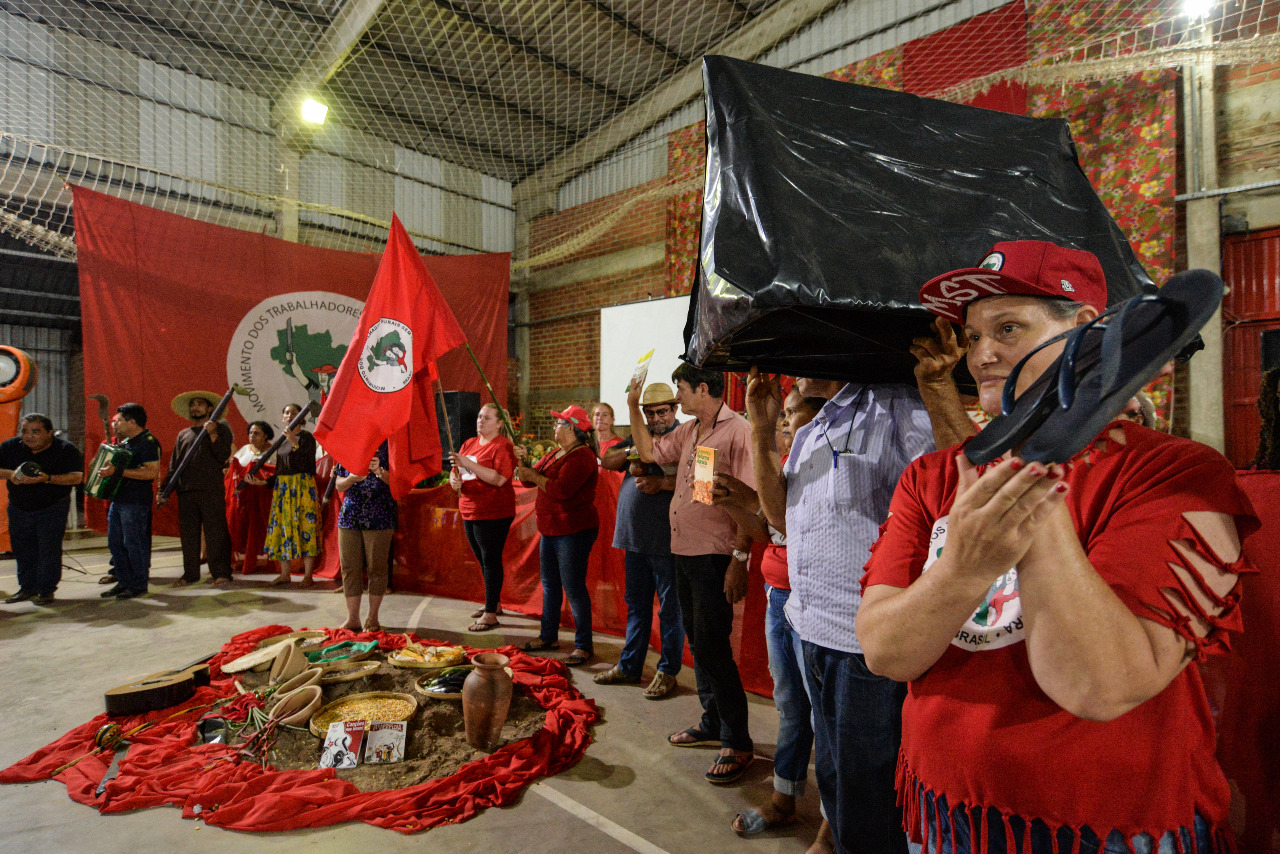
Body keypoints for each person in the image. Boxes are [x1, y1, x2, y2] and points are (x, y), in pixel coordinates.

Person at [857, 240, 1257, 852]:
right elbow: (886, 652)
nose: (982, 354)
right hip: (944, 804)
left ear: (1086, 331)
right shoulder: (932, 477)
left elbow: (1099, 687)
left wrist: (1034, 481)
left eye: (1008, 328)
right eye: (972, 336)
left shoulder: (1176, 475)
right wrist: (963, 568)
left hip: (1106, 825)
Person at [746, 366, 933, 853]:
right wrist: (762, 431)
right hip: (812, 629)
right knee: (833, 775)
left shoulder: (896, 406)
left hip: (862, 645)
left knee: (870, 793)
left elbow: (943, 503)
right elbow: (779, 516)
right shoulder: (813, 428)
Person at [626, 363, 757, 786]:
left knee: (714, 646)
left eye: (680, 389)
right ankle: (713, 721)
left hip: (715, 555)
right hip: (685, 548)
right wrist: (631, 403)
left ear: (702, 387)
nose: (676, 398)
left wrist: (740, 557)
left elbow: (753, 502)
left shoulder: (737, 430)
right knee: (700, 643)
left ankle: (737, 741)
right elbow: (650, 454)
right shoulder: (694, 431)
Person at [711, 390, 829, 844]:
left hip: (815, 604)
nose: (782, 421)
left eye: (791, 411)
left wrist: (746, 502)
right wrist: (730, 502)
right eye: (780, 414)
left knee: (824, 717)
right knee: (789, 703)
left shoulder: (823, 464)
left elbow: (792, 530)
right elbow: (771, 529)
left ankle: (831, 824)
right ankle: (784, 797)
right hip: (779, 595)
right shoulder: (786, 466)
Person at [594, 382, 685, 699]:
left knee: (671, 611)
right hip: (634, 538)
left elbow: (702, 485)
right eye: (650, 412)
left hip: (668, 540)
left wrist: (661, 483)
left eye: (662, 411)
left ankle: (668, 670)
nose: (657, 418)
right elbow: (608, 461)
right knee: (637, 606)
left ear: (675, 409)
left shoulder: (686, 435)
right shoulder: (640, 435)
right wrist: (632, 452)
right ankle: (630, 666)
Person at [515, 404, 599, 666]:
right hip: (552, 529)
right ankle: (548, 635)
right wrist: (521, 461)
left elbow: (562, 490)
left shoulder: (582, 457)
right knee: (550, 585)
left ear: (573, 429)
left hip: (572, 530)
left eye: (559, 424)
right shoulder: (556, 453)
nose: (554, 427)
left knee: (573, 587)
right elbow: (527, 479)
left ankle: (584, 644)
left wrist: (533, 475)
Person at [1, 414, 83, 605]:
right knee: (22, 550)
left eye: (35, 432)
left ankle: (46, 590)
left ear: (49, 433)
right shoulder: (10, 447)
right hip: (19, 507)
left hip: (52, 507)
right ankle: (27, 588)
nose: (29, 436)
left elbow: (76, 477)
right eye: (24, 432)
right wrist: (10, 474)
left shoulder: (65, 449)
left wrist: (47, 478)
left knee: (49, 549)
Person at [449, 403, 517, 632]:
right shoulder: (469, 443)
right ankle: (493, 603)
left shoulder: (504, 446)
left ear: (499, 423)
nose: (480, 421)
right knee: (481, 558)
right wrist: (454, 480)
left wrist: (467, 462)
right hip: (469, 508)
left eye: (487, 418)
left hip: (493, 511)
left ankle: (490, 613)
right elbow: (456, 471)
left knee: (490, 559)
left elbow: (499, 479)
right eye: (479, 416)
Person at [163, 391, 234, 588]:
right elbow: (174, 465)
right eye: (193, 404)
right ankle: (190, 574)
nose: (195, 407)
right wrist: (165, 490)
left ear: (210, 408)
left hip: (210, 489)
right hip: (186, 491)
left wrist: (212, 434)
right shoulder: (183, 435)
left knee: (215, 533)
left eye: (200, 404)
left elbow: (222, 456)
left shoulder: (220, 429)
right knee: (189, 536)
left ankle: (221, 573)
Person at [99, 403, 162, 600]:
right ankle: (123, 581)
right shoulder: (127, 443)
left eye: (118, 421)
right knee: (116, 543)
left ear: (132, 422)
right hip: (119, 501)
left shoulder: (148, 442)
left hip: (135, 502)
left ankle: (138, 584)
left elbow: (151, 472)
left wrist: (117, 471)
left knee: (134, 543)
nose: (115, 425)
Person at [334, 441, 396, 632]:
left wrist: (379, 471)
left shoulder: (391, 447)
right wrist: (352, 478)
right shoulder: (348, 446)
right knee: (349, 567)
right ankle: (353, 619)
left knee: (377, 568)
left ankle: (373, 618)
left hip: (380, 516)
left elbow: (398, 482)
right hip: (350, 517)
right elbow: (338, 484)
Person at [265, 402, 320, 587]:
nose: (289, 415)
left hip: (302, 487)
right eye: (286, 412)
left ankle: (308, 575)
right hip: (284, 488)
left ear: (301, 417)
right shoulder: (280, 441)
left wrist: (294, 442)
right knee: (282, 528)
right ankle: (285, 574)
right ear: (282, 417)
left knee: (306, 527)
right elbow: (281, 469)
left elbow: (307, 464)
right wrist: (264, 482)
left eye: (293, 412)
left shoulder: (306, 438)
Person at [226, 420, 275, 574]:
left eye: (257, 433)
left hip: (267, 500)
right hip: (246, 500)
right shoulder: (244, 450)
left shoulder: (273, 451)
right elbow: (235, 471)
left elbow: (277, 474)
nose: (252, 436)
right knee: (243, 530)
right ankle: (245, 561)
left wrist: (262, 482)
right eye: (250, 433)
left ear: (266, 435)